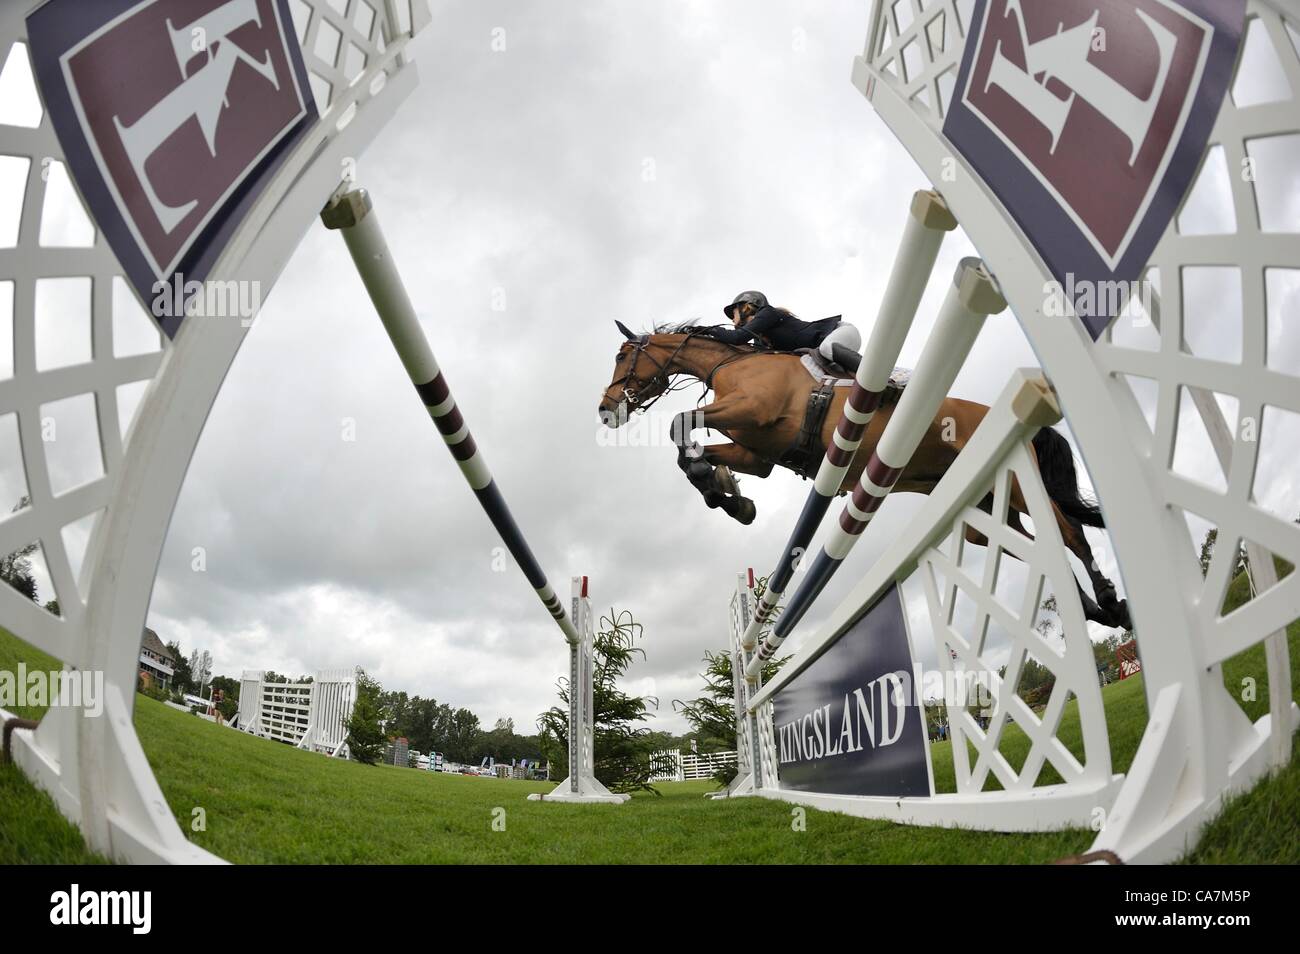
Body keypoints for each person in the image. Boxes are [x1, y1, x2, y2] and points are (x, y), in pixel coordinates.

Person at [705, 291, 862, 368]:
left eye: (733, 313)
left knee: (826, 348)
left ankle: (884, 376)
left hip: (840, 333)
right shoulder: (759, 340)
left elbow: (737, 338)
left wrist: (707, 331)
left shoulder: (768, 312)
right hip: (823, 356)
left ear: (746, 306)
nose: (732, 319)